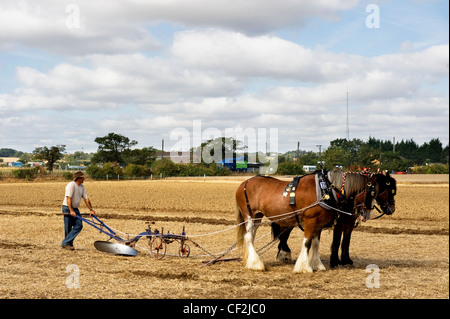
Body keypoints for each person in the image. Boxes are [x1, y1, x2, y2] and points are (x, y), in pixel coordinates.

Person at [61, 171, 95, 250]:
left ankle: (66, 242)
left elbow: (86, 199)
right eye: (83, 177)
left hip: (75, 208)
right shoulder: (71, 185)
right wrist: (71, 210)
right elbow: (68, 198)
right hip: (67, 207)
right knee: (68, 227)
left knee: (79, 225)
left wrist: (91, 209)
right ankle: (67, 244)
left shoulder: (81, 187)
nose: (84, 178)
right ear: (78, 178)